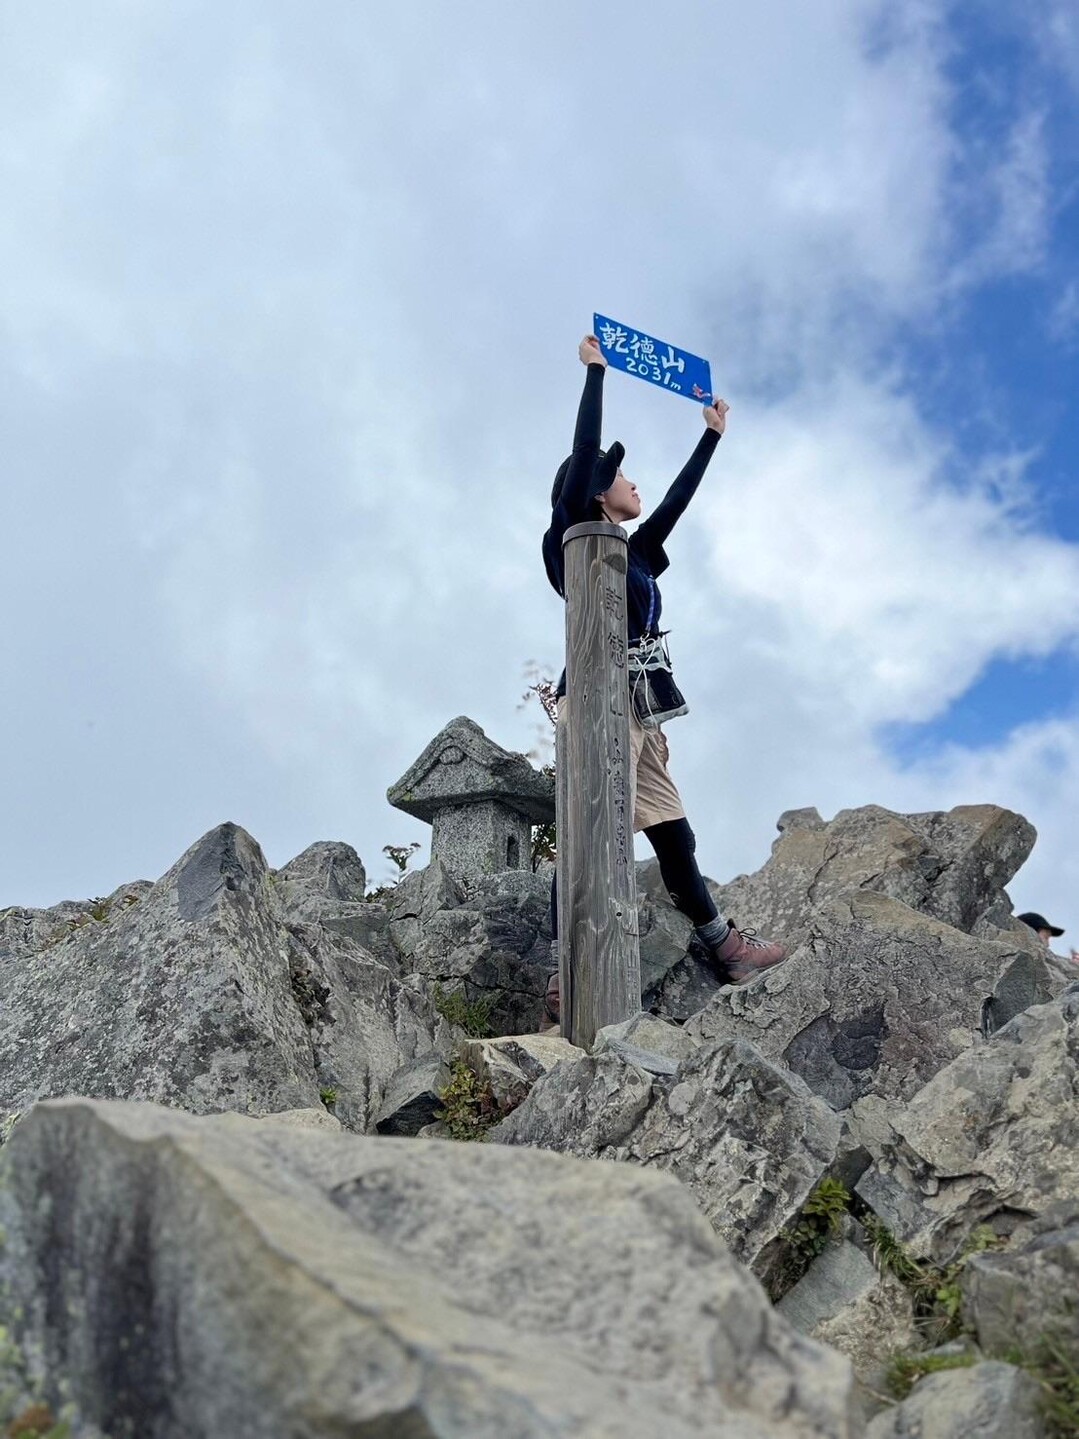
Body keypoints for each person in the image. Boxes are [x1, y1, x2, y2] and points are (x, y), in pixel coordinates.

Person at [542, 334, 787, 1021]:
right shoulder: (570, 535)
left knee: (673, 831)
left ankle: (724, 945)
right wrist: (594, 376)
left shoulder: (633, 551)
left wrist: (710, 439)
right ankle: (567, 974)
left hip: (639, 706)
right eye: (619, 476)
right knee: (586, 832)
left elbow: (673, 506)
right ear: (593, 492)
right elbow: (584, 454)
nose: (632, 480)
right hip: (592, 701)